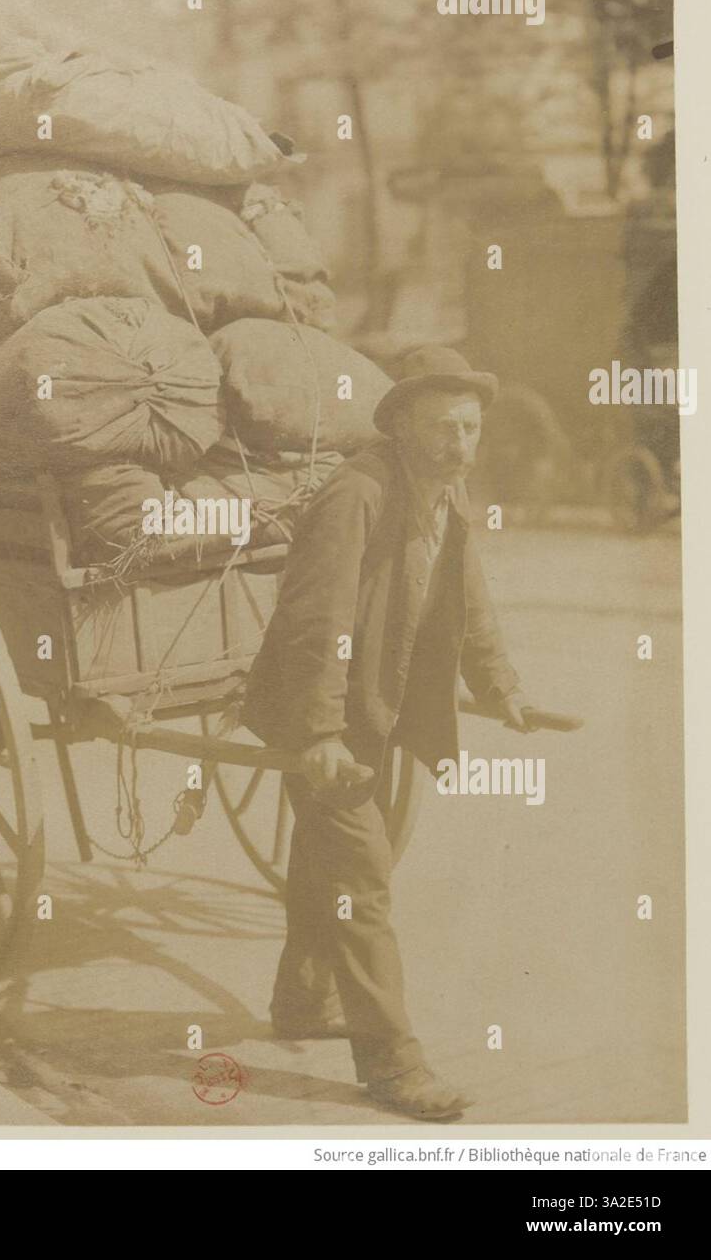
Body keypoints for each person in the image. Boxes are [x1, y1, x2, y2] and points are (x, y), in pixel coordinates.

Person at [241, 344, 534, 1121]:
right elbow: (317, 619)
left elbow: (468, 603)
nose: (459, 445)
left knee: (329, 852)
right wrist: (319, 733)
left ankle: (303, 1000)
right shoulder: (357, 496)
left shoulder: (446, 495)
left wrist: (501, 687)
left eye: (470, 430)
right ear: (400, 425)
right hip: (325, 711)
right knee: (362, 874)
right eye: (443, 428)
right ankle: (395, 1065)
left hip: (372, 709)